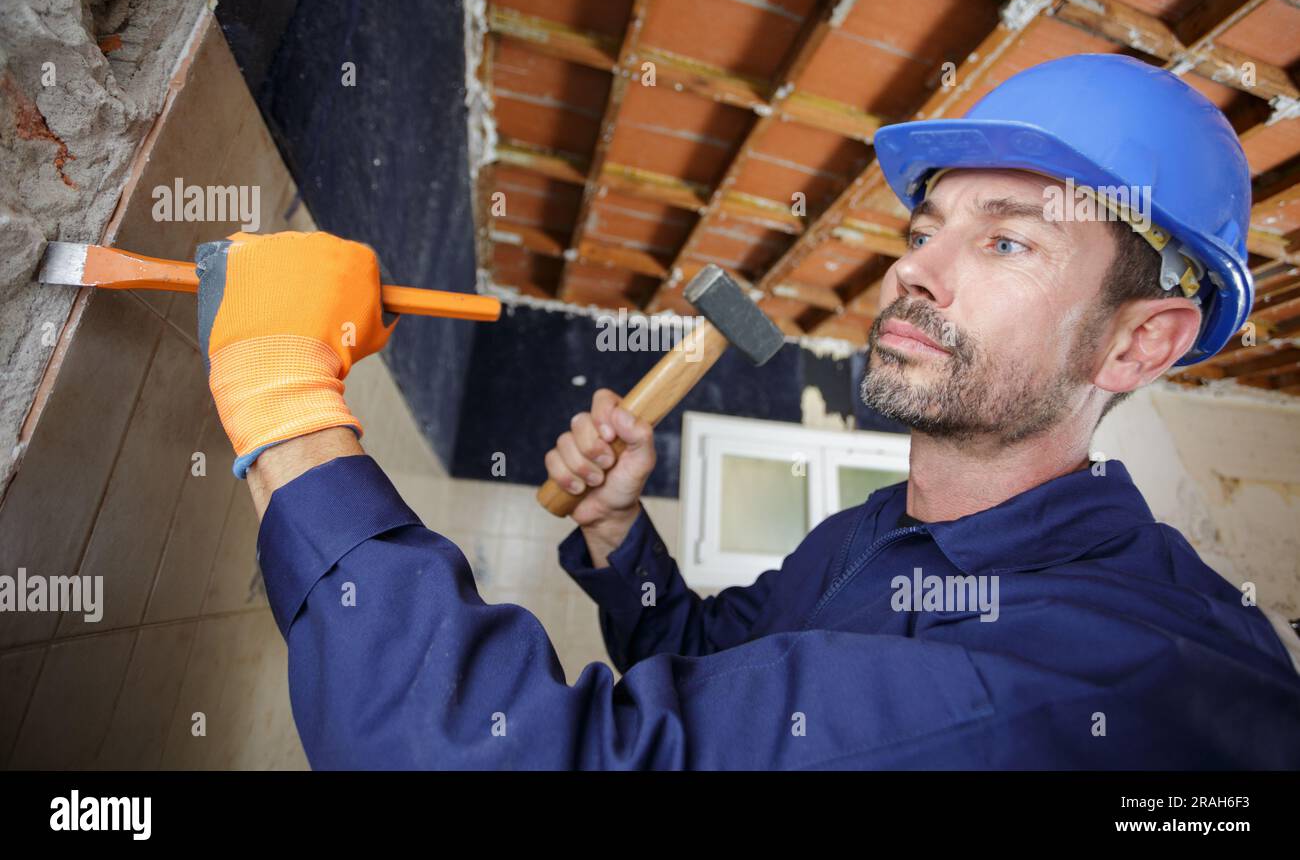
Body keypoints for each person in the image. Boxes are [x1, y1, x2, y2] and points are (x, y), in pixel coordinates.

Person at [196, 54, 1300, 768]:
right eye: (924, 232)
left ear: (1138, 339)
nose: (913, 273)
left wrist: (284, 395)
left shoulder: (1113, 676)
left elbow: (516, 754)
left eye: (1007, 239)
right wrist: (620, 530)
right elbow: (700, 653)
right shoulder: (873, 535)